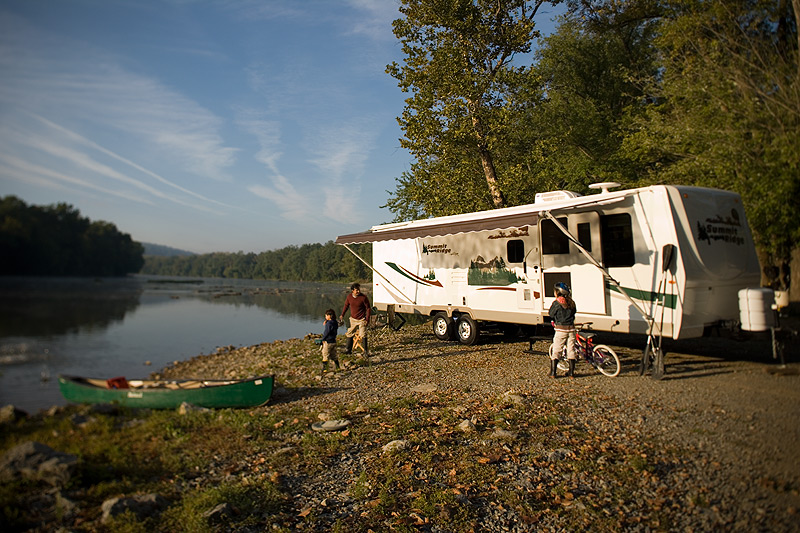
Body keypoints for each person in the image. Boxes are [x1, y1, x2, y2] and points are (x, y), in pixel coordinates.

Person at [549, 282, 577, 378]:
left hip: (561, 330)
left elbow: (551, 314)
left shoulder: (557, 303)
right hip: (571, 329)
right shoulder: (571, 302)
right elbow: (573, 312)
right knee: (571, 350)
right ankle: (571, 373)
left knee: (557, 350)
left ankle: (553, 373)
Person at [340, 282, 371, 363]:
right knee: (349, 333)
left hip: (361, 319)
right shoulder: (349, 297)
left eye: (359, 290)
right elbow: (346, 306)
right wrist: (342, 315)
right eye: (356, 290)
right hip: (353, 319)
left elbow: (368, 308)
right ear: (352, 291)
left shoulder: (363, 297)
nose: (358, 291)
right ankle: (348, 350)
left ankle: (365, 352)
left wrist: (367, 319)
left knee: (363, 334)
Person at [320, 309, 340, 374]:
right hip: (333, 341)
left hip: (328, 341)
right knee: (333, 355)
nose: (325, 317)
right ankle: (338, 367)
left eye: (326, 315)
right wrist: (327, 321)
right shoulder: (335, 322)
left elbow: (327, 332)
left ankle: (325, 369)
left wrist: (323, 339)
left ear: (329, 316)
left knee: (325, 354)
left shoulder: (329, 324)